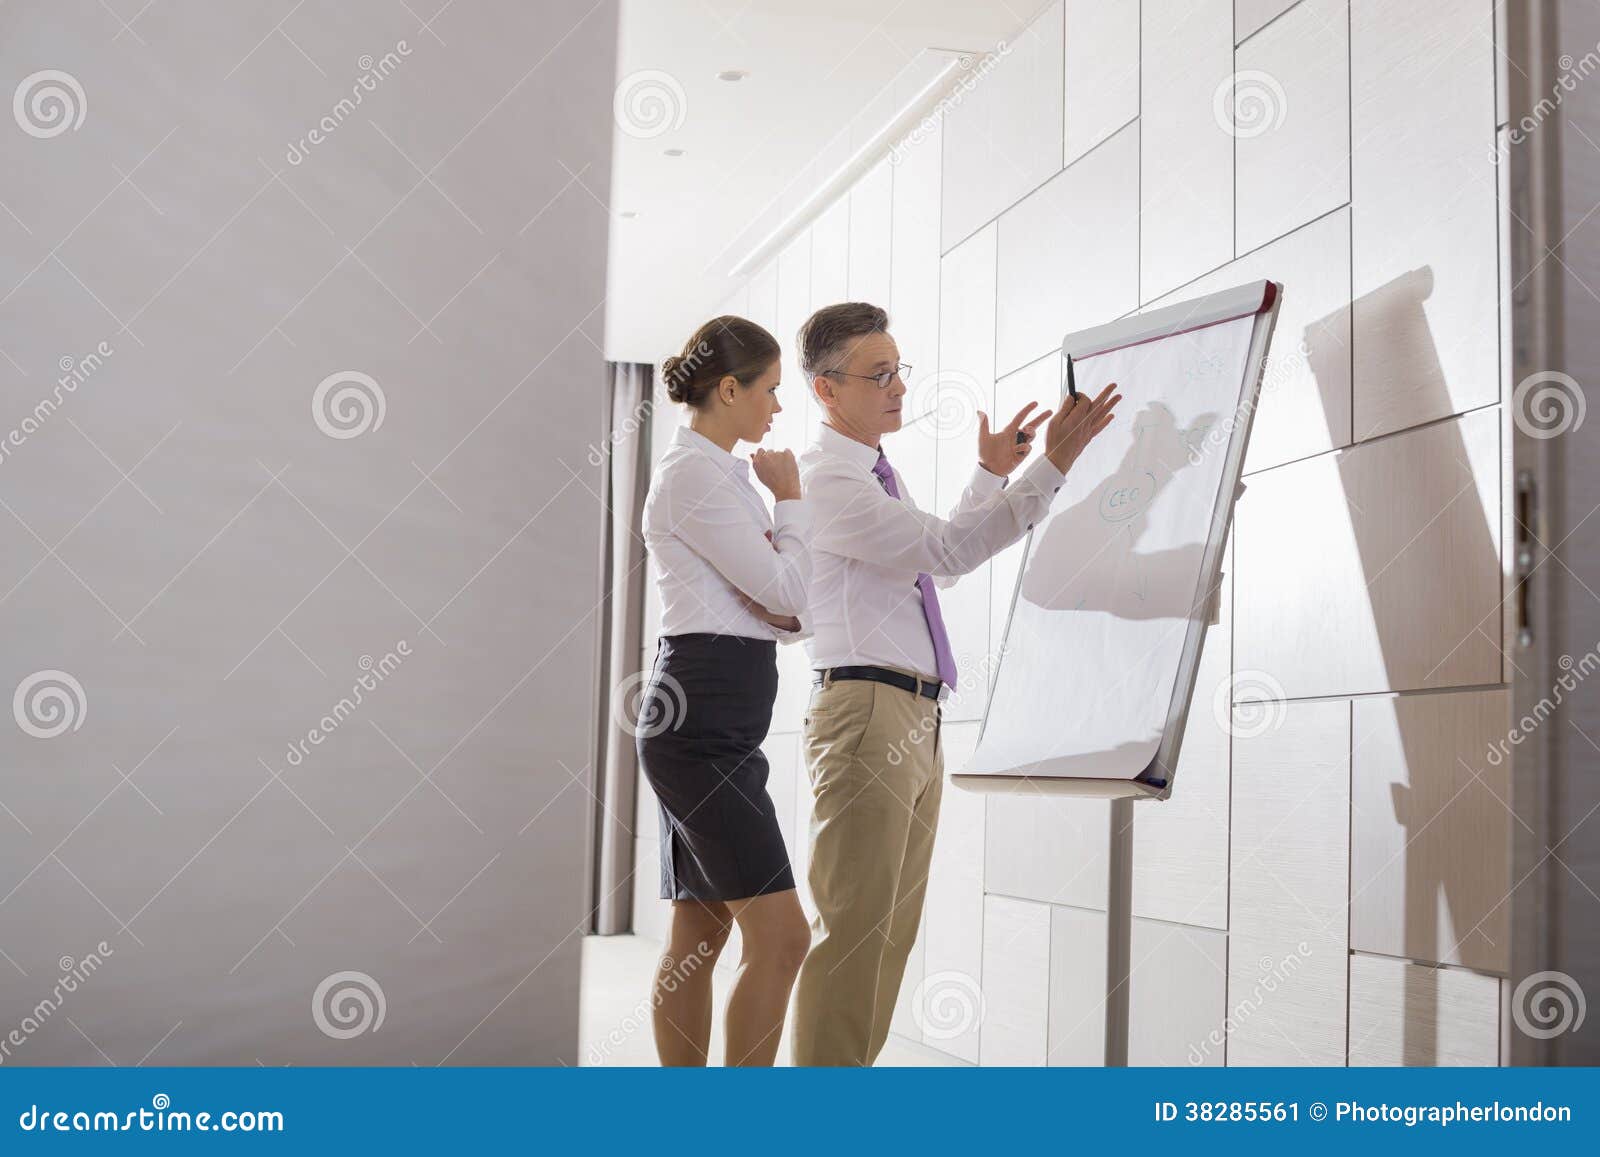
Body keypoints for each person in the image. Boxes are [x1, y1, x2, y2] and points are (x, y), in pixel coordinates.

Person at [789, 302, 1121, 1066]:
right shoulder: (828, 484)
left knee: (888, 933)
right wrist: (1053, 465)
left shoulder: (874, 472)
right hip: (867, 710)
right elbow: (946, 553)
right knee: (852, 933)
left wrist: (989, 474)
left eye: (899, 368)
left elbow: (934, 552)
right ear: (825, 390)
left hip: (910, 714)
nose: (898, 386)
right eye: (879, 375)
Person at [636, 315, 814, 1066]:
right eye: (771, 389)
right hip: (700, 725)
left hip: (717, 723)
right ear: (730, 387)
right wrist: (791, 502)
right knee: (782, 935)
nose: (778, 407)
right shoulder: (693, 479)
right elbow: (789, 595)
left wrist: (775, 596)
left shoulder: (716, 475)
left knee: (699, 932)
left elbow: (785, 612)